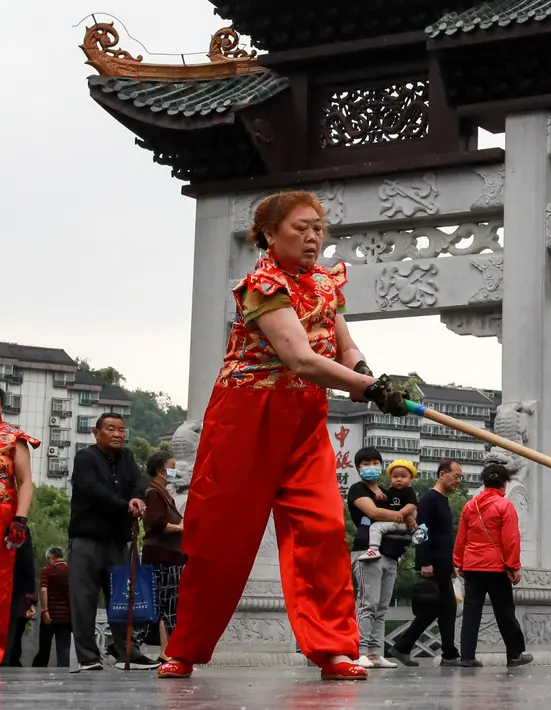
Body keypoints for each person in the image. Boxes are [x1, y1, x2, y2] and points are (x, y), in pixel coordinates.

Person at [157, 190, 412, 681]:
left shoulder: (325, 283)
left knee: (321, 531)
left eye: (319, 226)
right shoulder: (262, 284)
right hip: (246, 418)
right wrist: (368, 389)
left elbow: (344, 344)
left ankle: (335, 648)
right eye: (301, 227)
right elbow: (298, 357)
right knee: (219, 540)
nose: (314, 236)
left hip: (303, 420)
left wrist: (370, 374)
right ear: (270, 234)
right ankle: (184, 647)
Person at [68, 412, 157, 670]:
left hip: (119, 540)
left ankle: (126, 653)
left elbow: (137, 485)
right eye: (111, 429)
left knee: (123, 597)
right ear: (96, 433)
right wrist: (126, 506)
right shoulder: (85, 458)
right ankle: (88, 657)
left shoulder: (127, 458)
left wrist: (138, 500)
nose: (118, 434)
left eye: (121, 429)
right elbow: (93, 491)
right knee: (84, 598)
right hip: (87, 539)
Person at [453, 461, 532, 668]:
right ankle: (514, 655)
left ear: (484, 482)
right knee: (505, 611)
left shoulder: (471, 505)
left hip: (472, 566)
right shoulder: (504, 505)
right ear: (504, 484)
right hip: (496, 567)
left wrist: (459, 562)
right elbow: (510, 539)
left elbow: (461, 537)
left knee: (472, 612)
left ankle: (467, 656)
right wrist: (513, 566)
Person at [388, 459, 465, 668]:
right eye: (456, 476)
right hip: (433, 564)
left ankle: (407, 647)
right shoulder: (430, 499)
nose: (458, 480)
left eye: (460, 477)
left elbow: (443, 537)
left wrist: (451, 565)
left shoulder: (443, 500)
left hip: (443, 564)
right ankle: (445, 653)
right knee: (438, 608)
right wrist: (425, 562)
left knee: (444, 608)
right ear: (442, 475)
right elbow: (422, 532)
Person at [346, 451, 418, 669]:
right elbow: (374, 513)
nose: (371, 466)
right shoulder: (357, 489)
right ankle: (360, 651)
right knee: (368, 603)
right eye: (366, 463)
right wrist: (401, 516)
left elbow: (408, 510)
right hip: (367, 550)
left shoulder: (388, 493)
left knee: (381, 606)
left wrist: (409, 516)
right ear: (358, 468)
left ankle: (376, 652)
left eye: (375, 462)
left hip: (391, 552)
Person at [142, 452, 187, 663]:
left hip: (171, 556)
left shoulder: (164, 493)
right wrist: (179, 527)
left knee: (168, 602)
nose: (174, 470)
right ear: (161, 470)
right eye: (172, 466)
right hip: (162, 556)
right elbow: (156, 522)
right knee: (166, 602)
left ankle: (167, 649)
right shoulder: (154, 493)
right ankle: (166, 650)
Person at [0, 411, 35, 667]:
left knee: (2, 584)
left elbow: (24, 481)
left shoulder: (13, 438)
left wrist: (20, 519)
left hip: (3, 516)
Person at [357, 460, 421, 563]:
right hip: (395, 522)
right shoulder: (391, 491)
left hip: (401, 522)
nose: (399, 479)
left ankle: (373, 549)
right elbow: (387, 502)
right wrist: (381, 498)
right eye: (395, 477)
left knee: (376, 527)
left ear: (411, 478)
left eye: (403, 477)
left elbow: (412, 504)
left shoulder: (408, 491)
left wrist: (401, 513)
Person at [33, 547, 72, 668]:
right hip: (65, 617)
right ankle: (64, 674)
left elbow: (43, 589)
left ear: (51, 557)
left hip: (48, 617)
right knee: (64, 649)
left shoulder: (47, 571)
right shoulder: (71, 571)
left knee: (44, 649)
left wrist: (45, 610)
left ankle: (39, 672)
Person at [5, 537, 35, 666]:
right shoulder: (19, 528)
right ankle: (4, 658)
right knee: (10, 624)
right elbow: (26, 560)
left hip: (12, 584)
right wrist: (30, 591)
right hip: (12, 585)